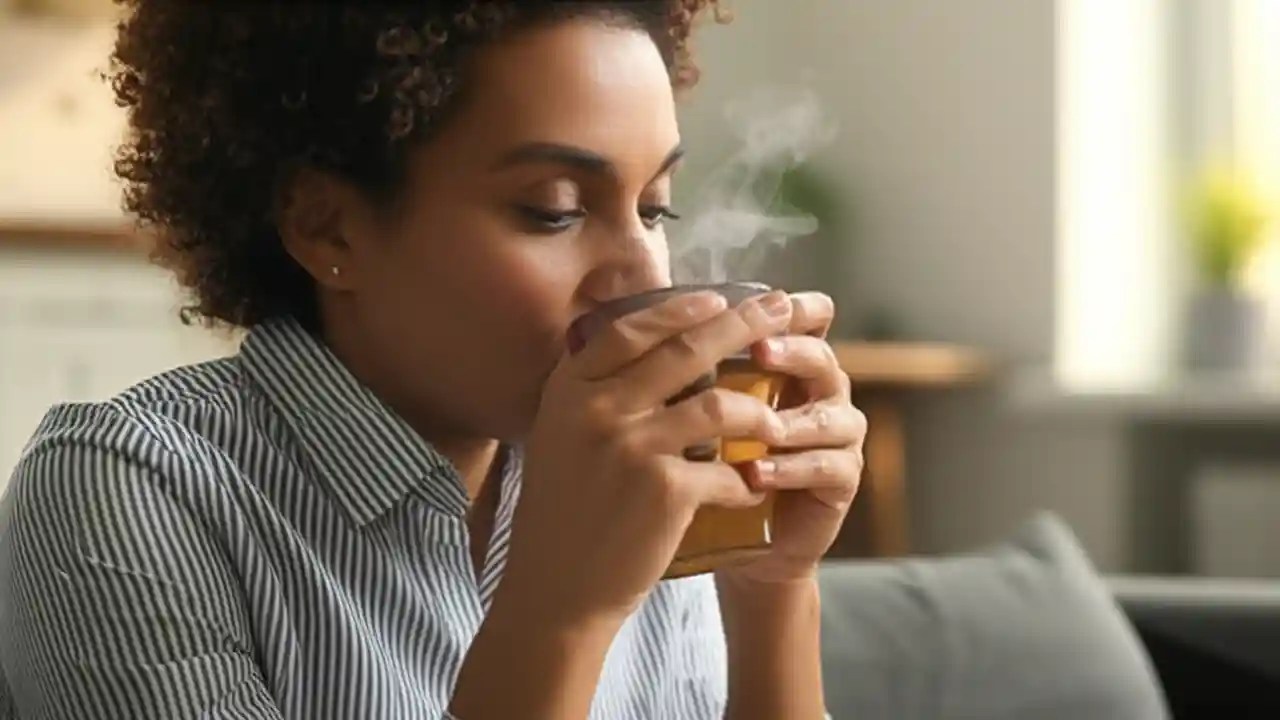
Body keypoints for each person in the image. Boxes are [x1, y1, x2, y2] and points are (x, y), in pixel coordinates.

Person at [0, 2, 865, 718]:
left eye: (655, 210)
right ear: (327, 225)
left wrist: (771, 588)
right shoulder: (126, 488)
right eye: (554, 211)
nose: (643, 276)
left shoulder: (653, 472)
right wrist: (557, 615)